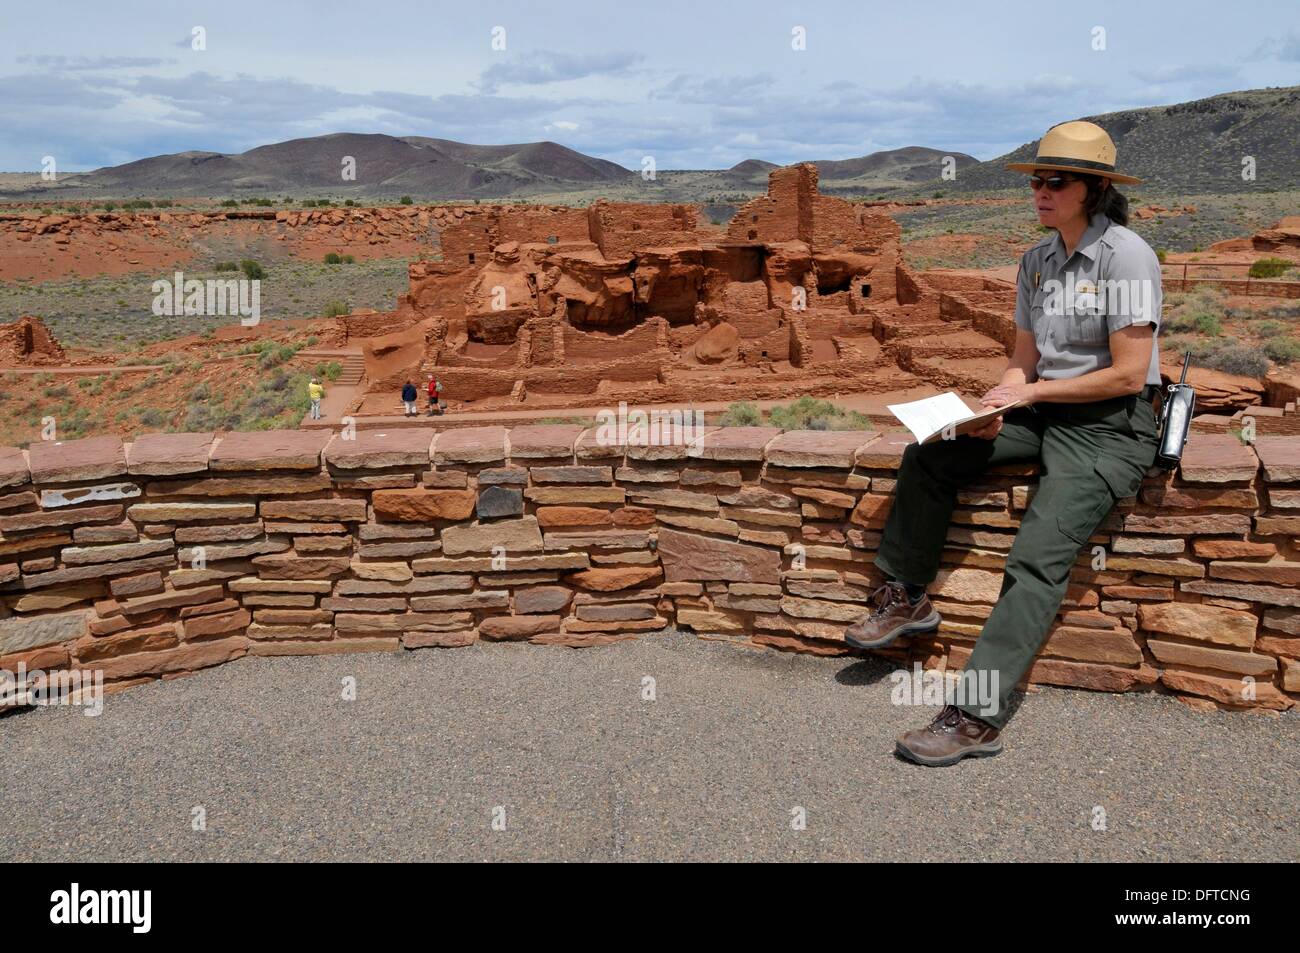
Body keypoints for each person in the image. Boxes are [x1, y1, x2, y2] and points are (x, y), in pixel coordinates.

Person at [843, 120, 1164, 767]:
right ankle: (906, 595)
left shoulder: (1125, 255)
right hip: (1043, 410)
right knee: (930, 453)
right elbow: (1023, 361)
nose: (1040, 190)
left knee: (1036, 558)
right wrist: (994, 404)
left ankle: (975, 715)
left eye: (1056, 180)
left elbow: (1130, 371)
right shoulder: (1037, 262)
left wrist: (1031, 395)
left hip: (1111, 425)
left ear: (1093, 188)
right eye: (1036, 179)